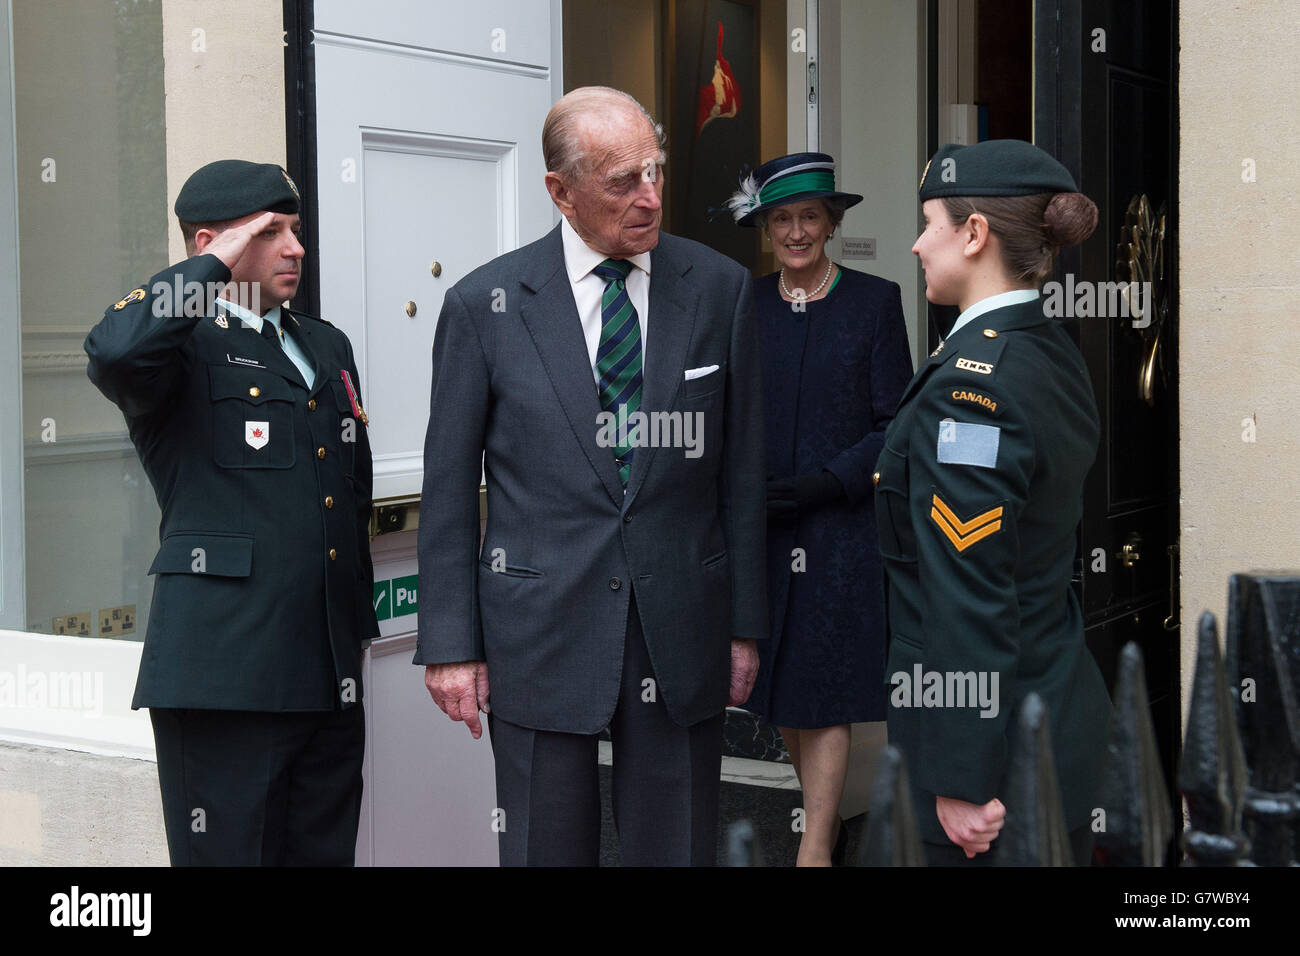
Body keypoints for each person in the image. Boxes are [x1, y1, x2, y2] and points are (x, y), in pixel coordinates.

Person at [416, 86, 767, 866]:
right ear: (559, 192)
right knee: (546, 847)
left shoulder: (718, 289)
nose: (650, 197)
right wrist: (450, 644)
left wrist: (745, 625)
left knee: (676, 848)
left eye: (655, 171)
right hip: (538, 629)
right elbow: (446, 488)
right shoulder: (486, 305)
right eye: (622, 182)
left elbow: (742, 475)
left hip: (681, 623)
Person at [84, 160, 378, 865]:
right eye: (269, 232)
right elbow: (116, 350)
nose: (295, 248)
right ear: (208, 244)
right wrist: (213, 262)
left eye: (297, 230)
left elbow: (348, 490)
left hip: (326, 671)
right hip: (226, 678)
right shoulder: (180, 346)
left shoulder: (323, 343)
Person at [875, 139, 1111, 865]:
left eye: (929, 223)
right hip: (1056, 707)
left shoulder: (970, 384)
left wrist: (961, 774)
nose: (916, 244)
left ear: (974, 234)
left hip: (992, 755)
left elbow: (970, 589)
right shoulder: (1045, 348)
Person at [726, 153, 913, 866]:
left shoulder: (873, 301)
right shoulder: (746, 304)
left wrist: (829, 482)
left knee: (825, 686)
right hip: (767, 529)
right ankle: (822, 825)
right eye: (782, 219)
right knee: (785, 687)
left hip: (839, 529)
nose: (797, 231)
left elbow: (895, 423)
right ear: (766, 229)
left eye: (809, 217)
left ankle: (814, 848)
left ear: (831, 223)